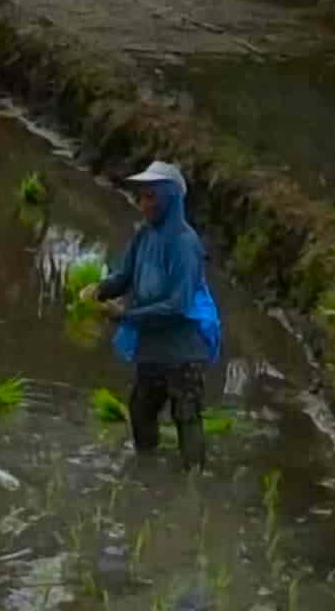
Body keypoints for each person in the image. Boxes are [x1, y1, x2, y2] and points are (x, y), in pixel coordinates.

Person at [85, 160, 222, 470]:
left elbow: (178, 306)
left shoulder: (185, 245)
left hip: (184, 344)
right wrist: (100, 289)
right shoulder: (145, 236)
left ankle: (194, 481)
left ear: (170, 199)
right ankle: (146, 470)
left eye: (151, 197)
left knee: (186, 413)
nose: (143, 204)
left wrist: (124, 315)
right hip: (153, 342)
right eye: (141, 196)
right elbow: (126, 275)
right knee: (141, 408)